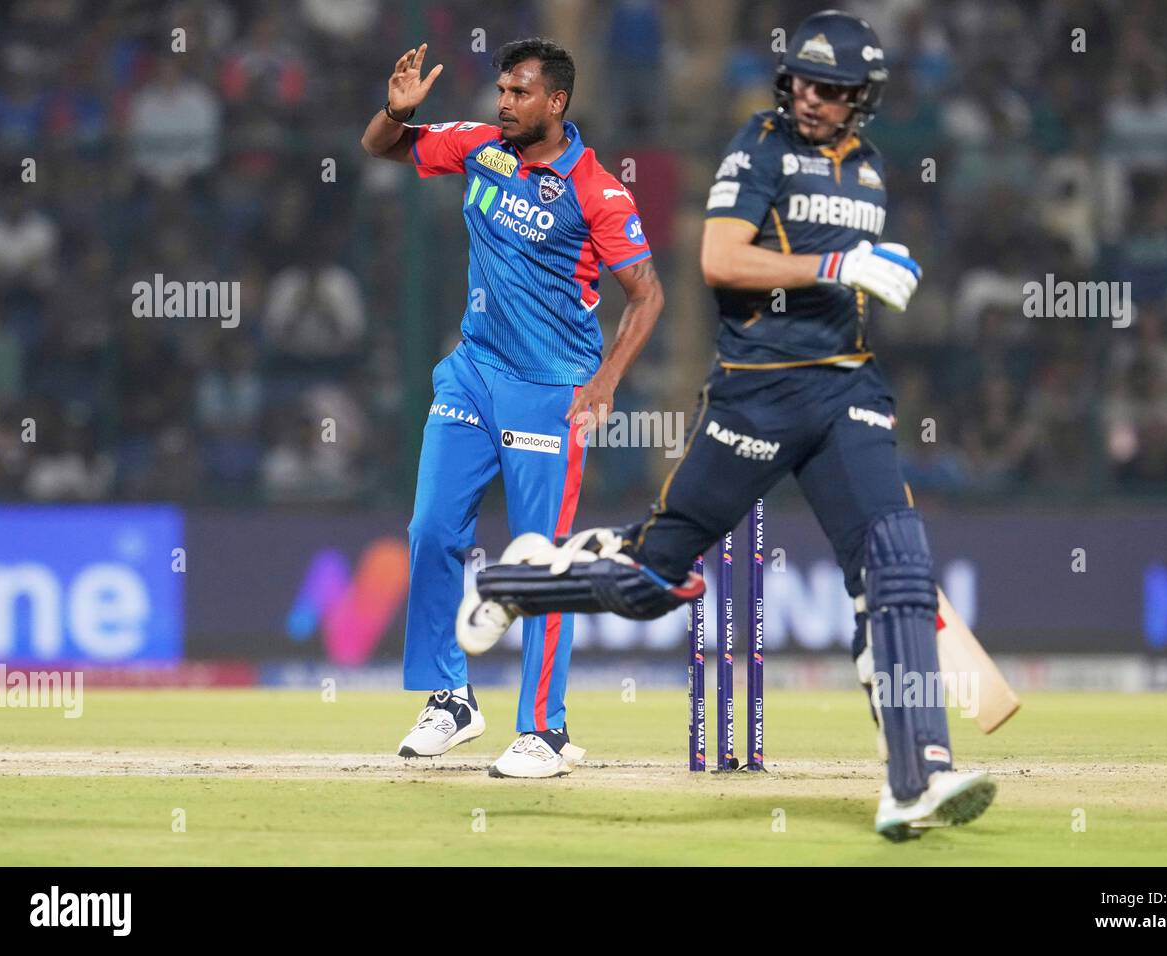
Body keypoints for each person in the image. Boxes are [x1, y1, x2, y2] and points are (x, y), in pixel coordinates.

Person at [456, 12, 996, 839]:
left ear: (862, 98)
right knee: (653, 582)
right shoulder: (761, 146)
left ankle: (917, 778)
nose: (815, 101)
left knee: (895, 572)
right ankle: (514, 583)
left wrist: (872, 275)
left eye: (834, 90)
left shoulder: (872, 169)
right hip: (756, 395)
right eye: (806, 84)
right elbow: (719, 258)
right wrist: (839, 265)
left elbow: (836, 282)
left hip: (847, 388)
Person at [360, 39, 664, 778]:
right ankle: (451, 698)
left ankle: (544, 732)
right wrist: (394, 112)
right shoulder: (480, 147)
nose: (503, 103)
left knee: (540, 561)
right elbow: (381, 148)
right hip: (471, 371)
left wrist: (607, 378)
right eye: (501, 89)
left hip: (551, 387)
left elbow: (648, 293)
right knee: (431, 529)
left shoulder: (598, 189)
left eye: (519, 93)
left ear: (556, 103)